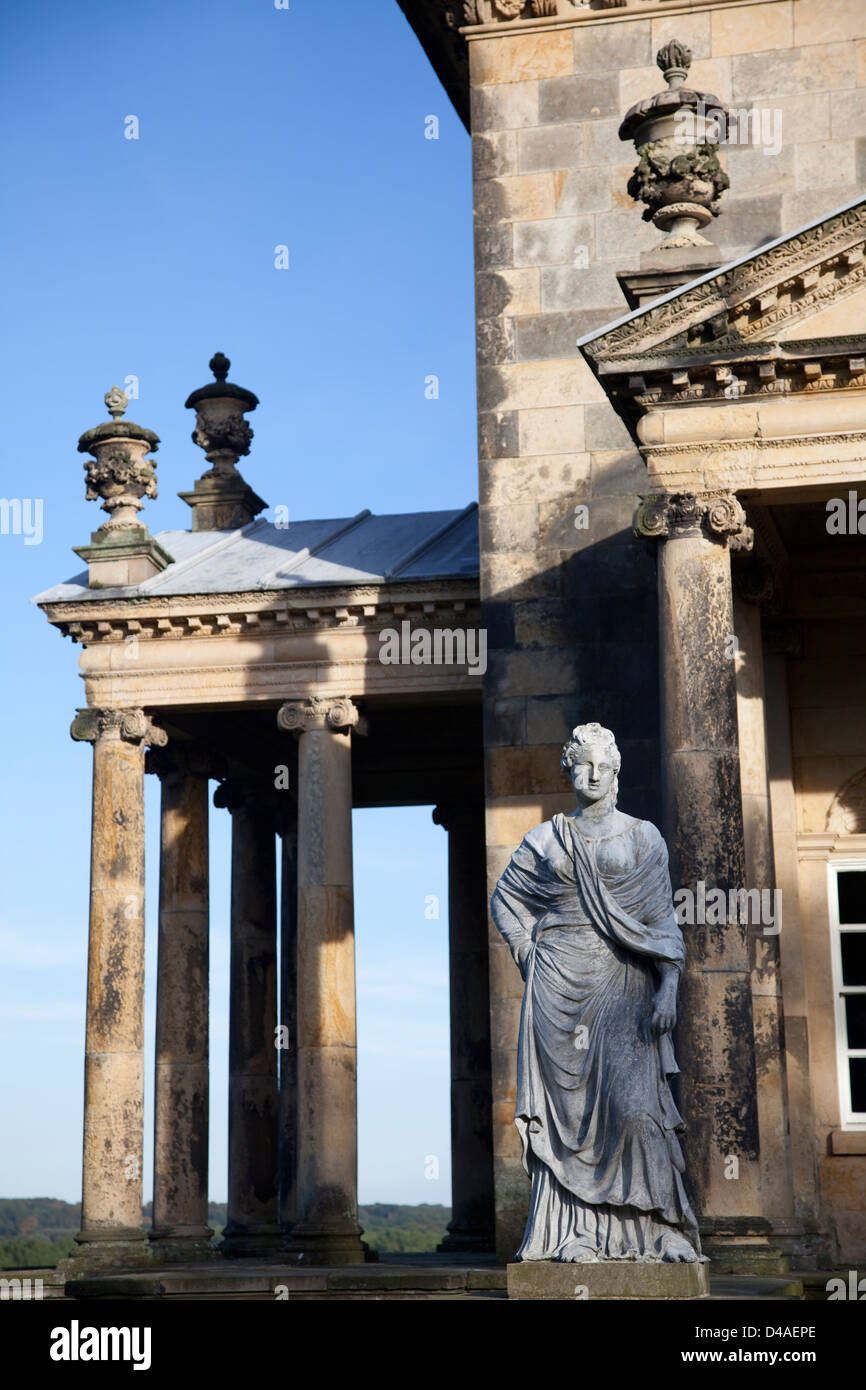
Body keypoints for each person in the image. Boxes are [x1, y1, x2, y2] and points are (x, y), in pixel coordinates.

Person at [490, 721, 704, 1263]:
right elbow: (506, 899)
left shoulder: (642, 837)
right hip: (557, 989)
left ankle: (657, 1231)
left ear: (614, 771)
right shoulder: (546, 838)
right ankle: (572, 1235)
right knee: (568, 1125)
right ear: (568, 768)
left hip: (625, 985)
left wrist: (669, 988)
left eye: (599, 764)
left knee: (636, 1112)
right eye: (579, 763)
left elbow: (660, 921)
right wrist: (524, 952)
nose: (589, 773)